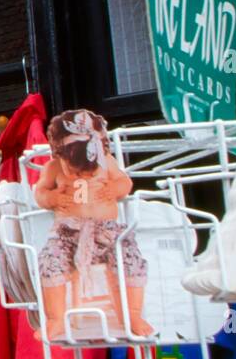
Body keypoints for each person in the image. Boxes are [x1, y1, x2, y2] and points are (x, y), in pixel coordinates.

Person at [33, 109, 151, 340]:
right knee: (50, 261)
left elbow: (124, 182)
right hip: (68, 232)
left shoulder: (107, 161)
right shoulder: (53, 167)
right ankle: (56, 318)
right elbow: (40, 192)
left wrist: (114, 189)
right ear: (59, 152)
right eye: (76, 171)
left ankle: (133, 315)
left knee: (130, 259)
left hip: (107, 231)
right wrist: (52, 198)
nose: (85, 176)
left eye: (90, 171)